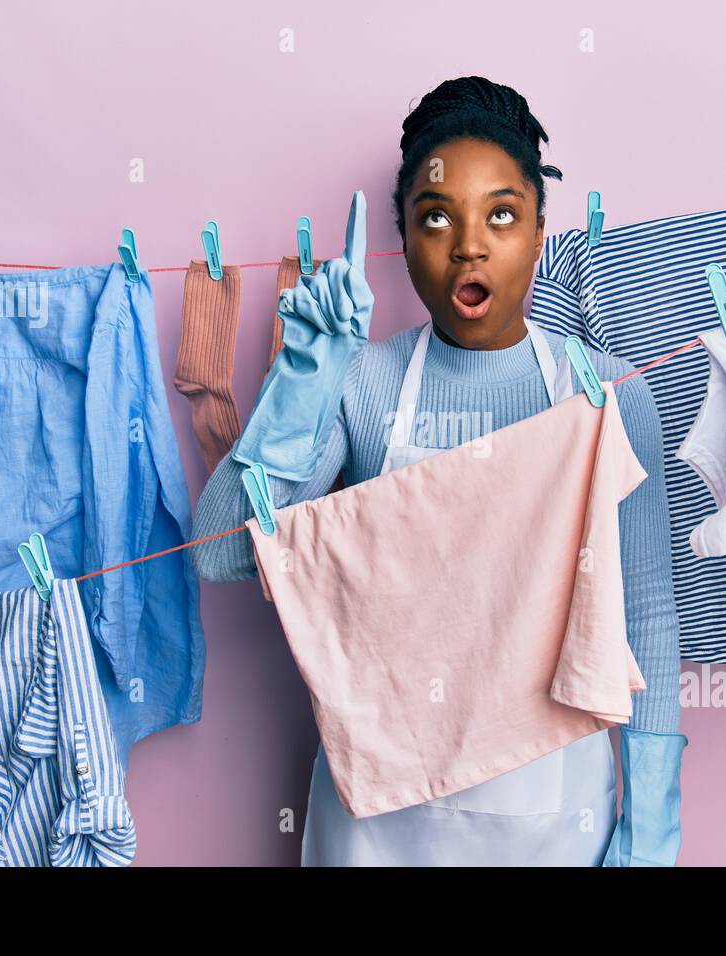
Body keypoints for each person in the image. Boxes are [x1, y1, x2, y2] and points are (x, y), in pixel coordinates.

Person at [192, 75, 685, 867]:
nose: (469, 245)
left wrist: (652, 833)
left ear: (538, 230)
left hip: (553, 826)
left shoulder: (609, 395)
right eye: (435, 218)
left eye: (501, 213)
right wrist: (303, 380)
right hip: (378, 832)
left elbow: (650, 623)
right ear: (405, 238)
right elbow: (217, 552)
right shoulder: (362, 384)